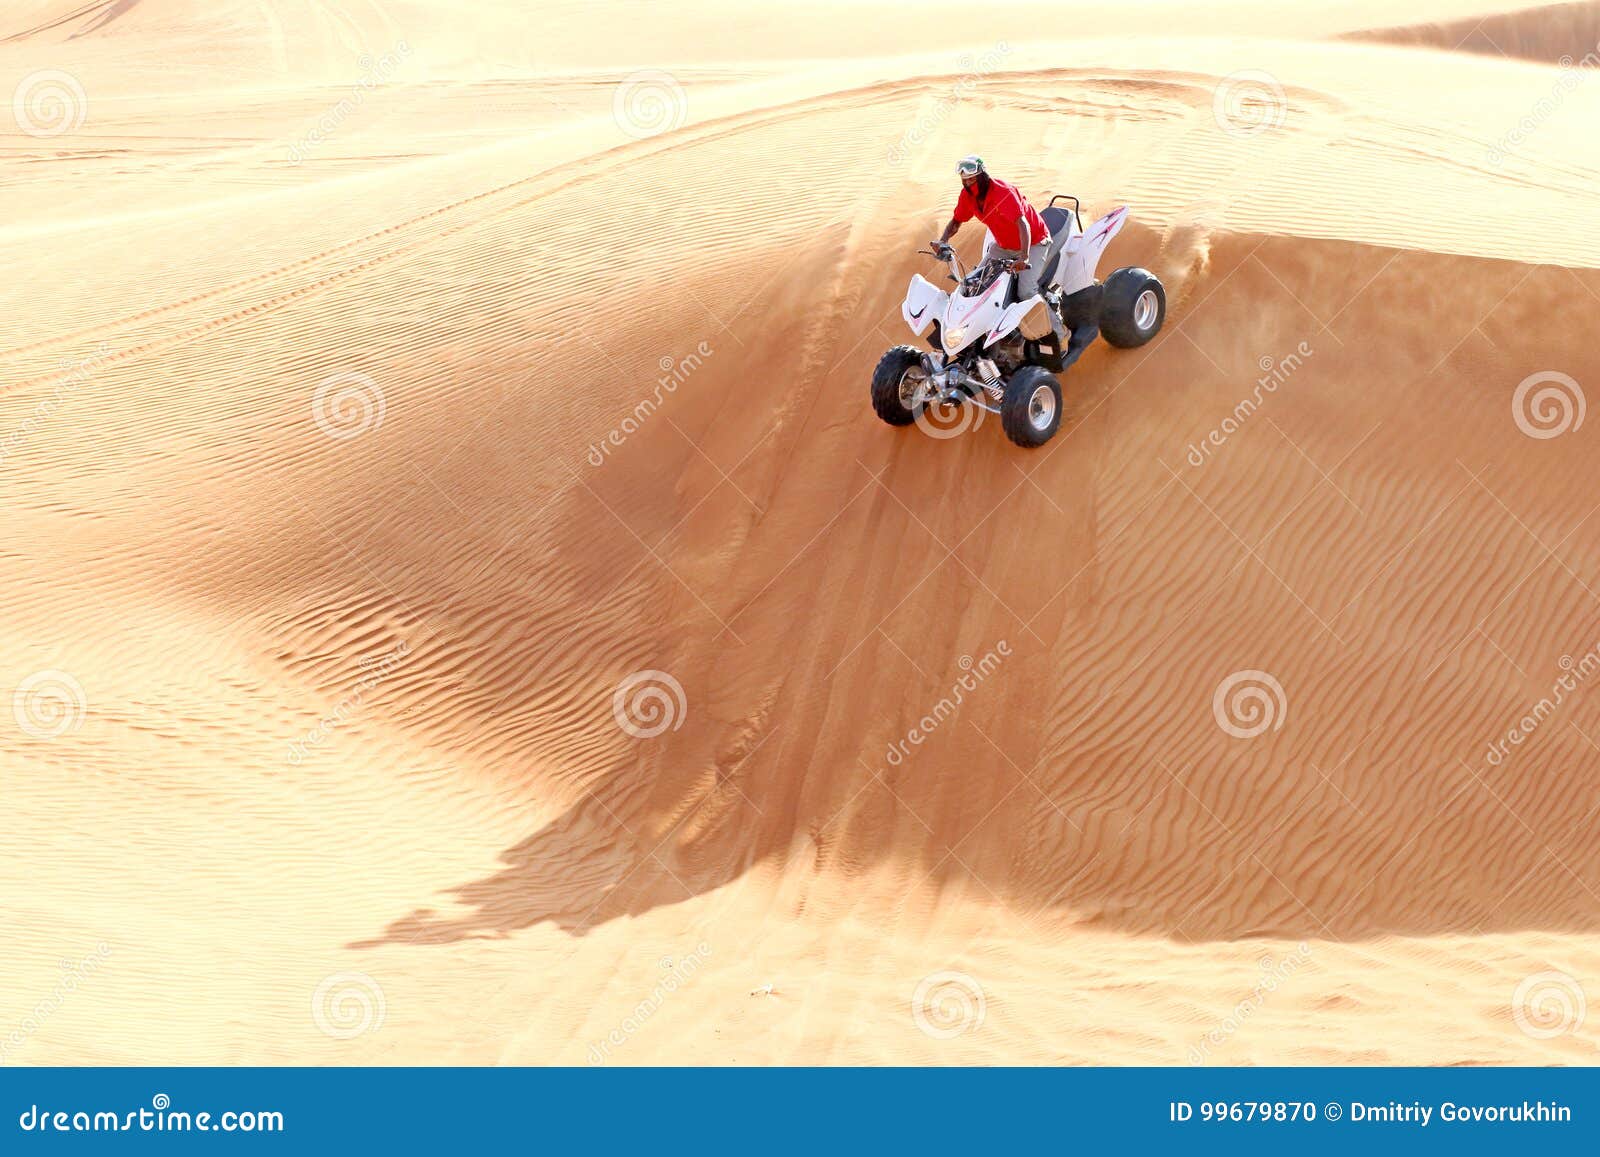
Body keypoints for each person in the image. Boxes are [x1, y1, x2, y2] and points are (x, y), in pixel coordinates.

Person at [931, 156, 1053, 299]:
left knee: (1026, 293)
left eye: (972, 179)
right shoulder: (967, 196)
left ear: (982, 176)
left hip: (1034, 243)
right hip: (1004, 247)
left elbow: (1023, 223)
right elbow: (956, 221)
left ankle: (1052, 321)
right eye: (964, 180)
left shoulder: (1003, 192)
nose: (968, 184)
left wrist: (1024, 257)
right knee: (974, 283)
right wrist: (943, 241)